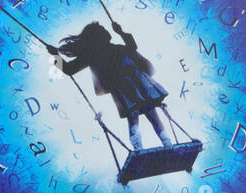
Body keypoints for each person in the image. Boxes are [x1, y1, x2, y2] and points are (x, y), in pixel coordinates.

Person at [48, 20, 171, 153]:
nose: (107, 31)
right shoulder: (112, 50)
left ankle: (143, 148)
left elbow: (69, 69)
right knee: (148, 116)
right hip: (131, 88)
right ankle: (164, 145)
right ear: (99, 36)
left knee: (136, 118)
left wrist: (55, 56)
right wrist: (120, 32)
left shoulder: (96, 54)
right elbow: (132, 46)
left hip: (126, 89)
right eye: (103, 29)